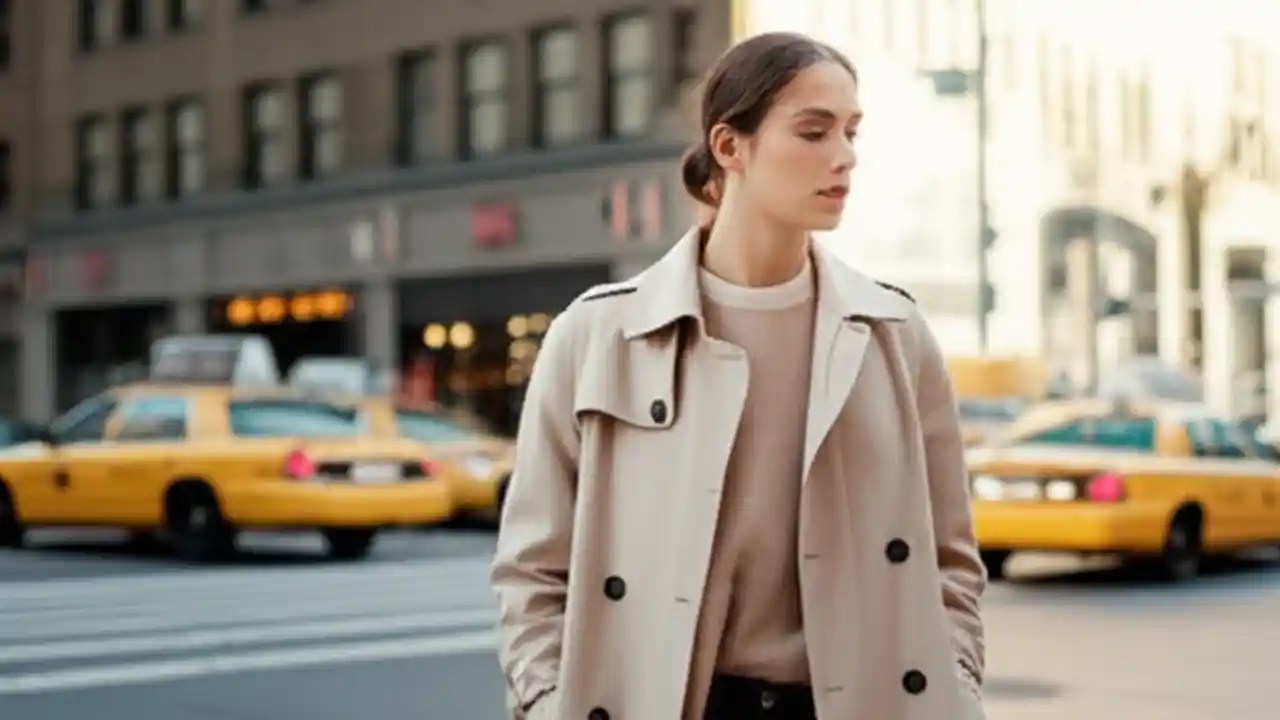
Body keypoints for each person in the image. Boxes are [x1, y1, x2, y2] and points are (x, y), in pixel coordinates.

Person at [491, 31, 987, 720]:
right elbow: (532, 571)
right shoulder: (599, 336)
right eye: (813, 132)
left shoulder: (894, 337)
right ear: (730, 148)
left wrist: (953, 682)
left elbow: (951, 565)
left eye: (851, 131)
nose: (844, 157)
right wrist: (550, 702)